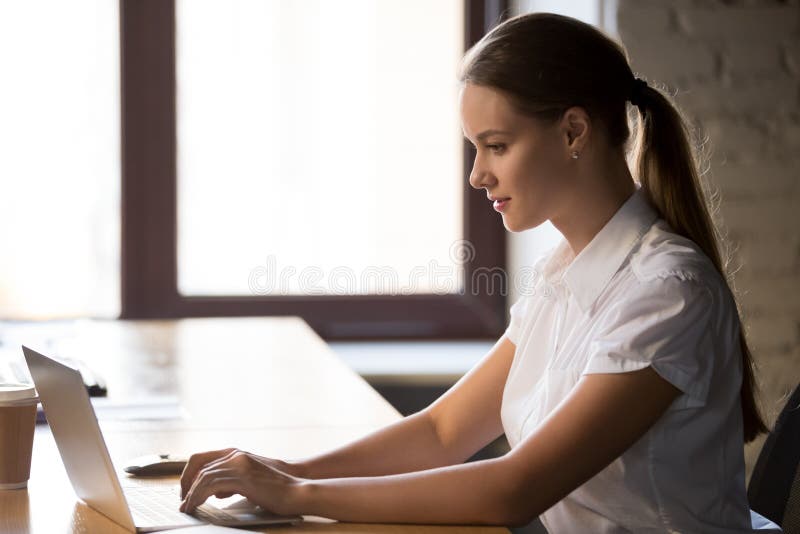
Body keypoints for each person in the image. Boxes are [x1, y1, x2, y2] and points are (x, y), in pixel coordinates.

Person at [179, 12, 782, 532]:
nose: (477, 175)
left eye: (496, 145)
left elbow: (516, 488)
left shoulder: (667, 293)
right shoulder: (563, 275)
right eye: (476, 148)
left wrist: (297, 497)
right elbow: (443, 431)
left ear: (574, 131)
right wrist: (284, 471)